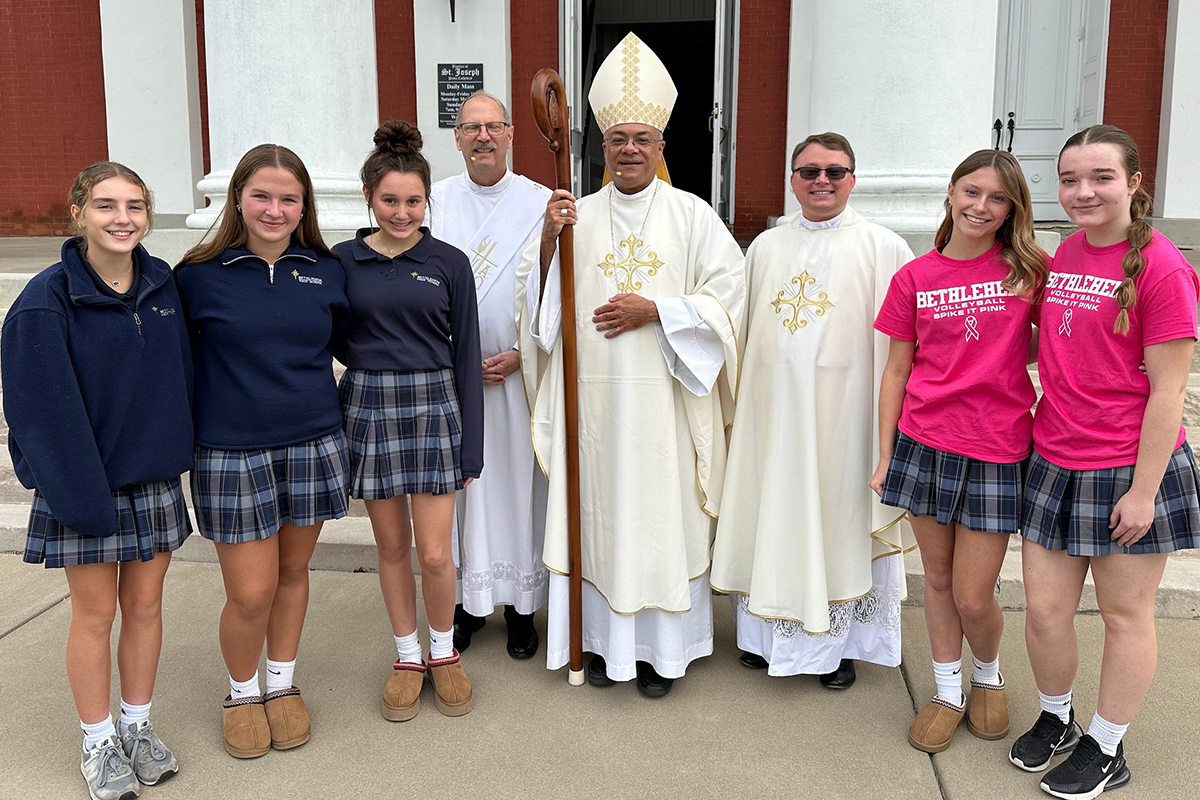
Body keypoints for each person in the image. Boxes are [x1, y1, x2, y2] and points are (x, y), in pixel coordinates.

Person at [516, 32, 745, 698]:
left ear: (662, 146)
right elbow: (539, 315)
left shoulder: (694, 216)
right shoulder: (574, 214)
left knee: (655, 523)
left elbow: (730, 297)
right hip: (592, 408)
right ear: (603, 147)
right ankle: (596, 645)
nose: (630, 149)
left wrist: (661, 312)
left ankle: (660, 656)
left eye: (643, 138)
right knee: (600, 521)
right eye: (619, 139)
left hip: (664, 408)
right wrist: (550, 243)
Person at [1010, 125, 1200, 798]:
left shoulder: (1163, 269)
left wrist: (1145, 492)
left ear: (1134, 183)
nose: (1083, 192)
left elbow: (1169, 392)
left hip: (1129, 467)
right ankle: (1058, 718)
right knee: (1043, 612)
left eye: (1100, 177)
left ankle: (1107, 745)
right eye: (1069, 179)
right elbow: (1056, 346)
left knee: (1124, 617)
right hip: (1054, 459)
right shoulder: (1064, 252)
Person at [2, 162, 192, 798]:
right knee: (96, 614)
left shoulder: (163, 284)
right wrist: (75, 498)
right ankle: (99, 740)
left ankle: (137, 727)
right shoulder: (44, 301)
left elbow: (181, 378)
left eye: (135, 206)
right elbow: (36, 412)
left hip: (154, 481)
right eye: (107, 205)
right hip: (85, 485)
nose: (123, 219)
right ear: (78, 211)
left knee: (145, 607)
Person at [710, 134, 915, 693]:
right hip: (773, 415)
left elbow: (906, 347)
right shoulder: (765, 248)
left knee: (835, 520)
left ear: (854, 177)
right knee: (772, 507)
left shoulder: (885, 247)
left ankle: (838, 645)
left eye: (835, 171)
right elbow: (737, 330)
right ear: (792, 178)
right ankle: (761, 639)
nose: (821, 181)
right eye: (809, 171)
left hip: (845, 421)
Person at [176, 144, 351, 759]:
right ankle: (242, 691)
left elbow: (361, 344)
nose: (274, 209)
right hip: (231, 450)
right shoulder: (197, 275)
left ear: (305, 206)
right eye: (262, 196)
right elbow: (171, 367)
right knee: (250, 592)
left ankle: (282, 683)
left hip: (312, 441)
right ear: (238, 200)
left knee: (293, 573)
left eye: (288, 198)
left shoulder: (327, 270)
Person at [870, 150, 1047, 753]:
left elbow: (1055, 343)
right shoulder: (914, 277)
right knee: (938, 582)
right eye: (972, 192)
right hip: (924, 443)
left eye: (997, 198)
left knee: (975, 592)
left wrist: (995, 362)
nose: (981, 207)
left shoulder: (1028, 272)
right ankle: (947, 690)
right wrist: (885, 452)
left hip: (997, 447)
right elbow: (896, 371)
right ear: (950, 193)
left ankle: (988, 675)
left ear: (1012, 209)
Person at [334, 120, 484, 720]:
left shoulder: (449, 261)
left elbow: (467, 352)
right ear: (370, 198)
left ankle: (444, 652)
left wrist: (470, 445)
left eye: (413, 200)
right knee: (391, 546)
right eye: (390, 200)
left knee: (435, 554)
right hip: (370, 404)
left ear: (428, 200)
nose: (402, 212)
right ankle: (405, 654)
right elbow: (334, 336)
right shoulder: (341, 260)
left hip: (435, 408)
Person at [428, 90, 552, 659]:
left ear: (510, 136)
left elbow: (558, 287)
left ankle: (521, 610)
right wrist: (452, 357)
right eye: (471, 128)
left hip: (520, 379)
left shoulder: (540, 202)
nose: (483, 137)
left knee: (517, 488)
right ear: (456, 138)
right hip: (454, 380)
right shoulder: (433, 202)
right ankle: (461, 605)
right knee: (460, 494)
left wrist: (529, 353)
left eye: (494, 127)